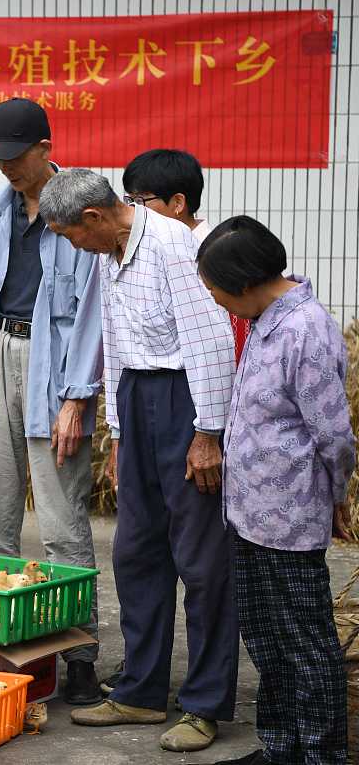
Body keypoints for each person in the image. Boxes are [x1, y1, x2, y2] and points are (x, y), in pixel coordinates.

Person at [41, 169, 239, 755]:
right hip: (137, 398)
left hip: (186, 400)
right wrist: (119, 432)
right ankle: (142, 689)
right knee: (135, 551)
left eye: (73, 235)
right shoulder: (110, 249)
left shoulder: (175, 244)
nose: (74, 246)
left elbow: (208, 342)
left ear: (96, 218)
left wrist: (208, 432)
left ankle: (205, 704)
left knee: (201, 562)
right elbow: (117, 339)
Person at [0, 98, 102, 704]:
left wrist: (77, 398)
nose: (5, 168)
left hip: (56, 368)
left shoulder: (79, 207)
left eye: (14, 157)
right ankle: (5, 648)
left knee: (63, 520)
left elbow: (92, 312)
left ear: (44, 148)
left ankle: (80, 655)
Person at [196, 216, 354, 765]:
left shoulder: (304, 329)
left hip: (290, 518)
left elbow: (334, 433)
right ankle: (283, 745)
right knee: (268, 640)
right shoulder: (265, 319)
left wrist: (336, 495)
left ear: (242, 283)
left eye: (214, 289)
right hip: (251, 515)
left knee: (306, 645)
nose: (214, 300)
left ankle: (320, 753)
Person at [122, 149, 250, 364]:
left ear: (178, 203)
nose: (133, 211)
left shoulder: (220, 255)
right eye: (129, 201)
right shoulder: (143, 250)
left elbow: (227, 337)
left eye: (141, 201)